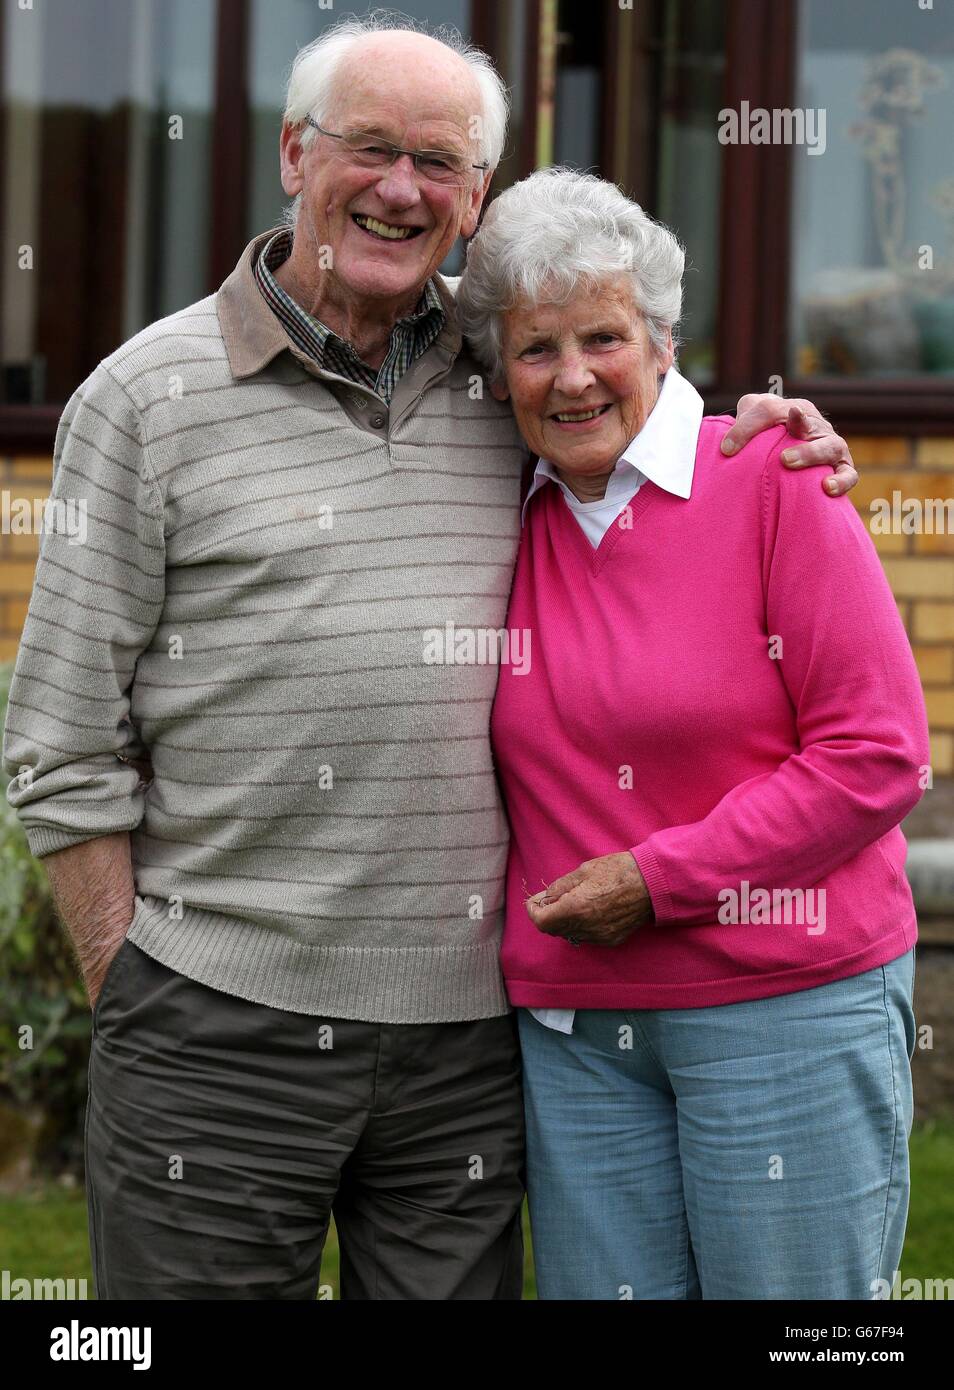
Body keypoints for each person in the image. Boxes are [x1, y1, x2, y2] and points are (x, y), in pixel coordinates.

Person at [2, 16, 858, 1300]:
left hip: (469, 1038)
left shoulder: (509, 367)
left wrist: (770, 429)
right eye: (371, 149)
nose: (402, 188)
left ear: (477, 199)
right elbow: (61, 739)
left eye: (442, 163)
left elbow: (629, 396)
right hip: (215, 1028)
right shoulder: (143, 400)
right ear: (295, 154)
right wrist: (137, 991)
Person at [457, 165, 930, 1300]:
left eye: (603, 338)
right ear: (497, 369)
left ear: (664, 340)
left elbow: (878, 755)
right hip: (581, 1034)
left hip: (785, 1000)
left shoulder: (771, 479)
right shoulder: (499, 500)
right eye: (534, 349)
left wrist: (660, 878)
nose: (572, 377)